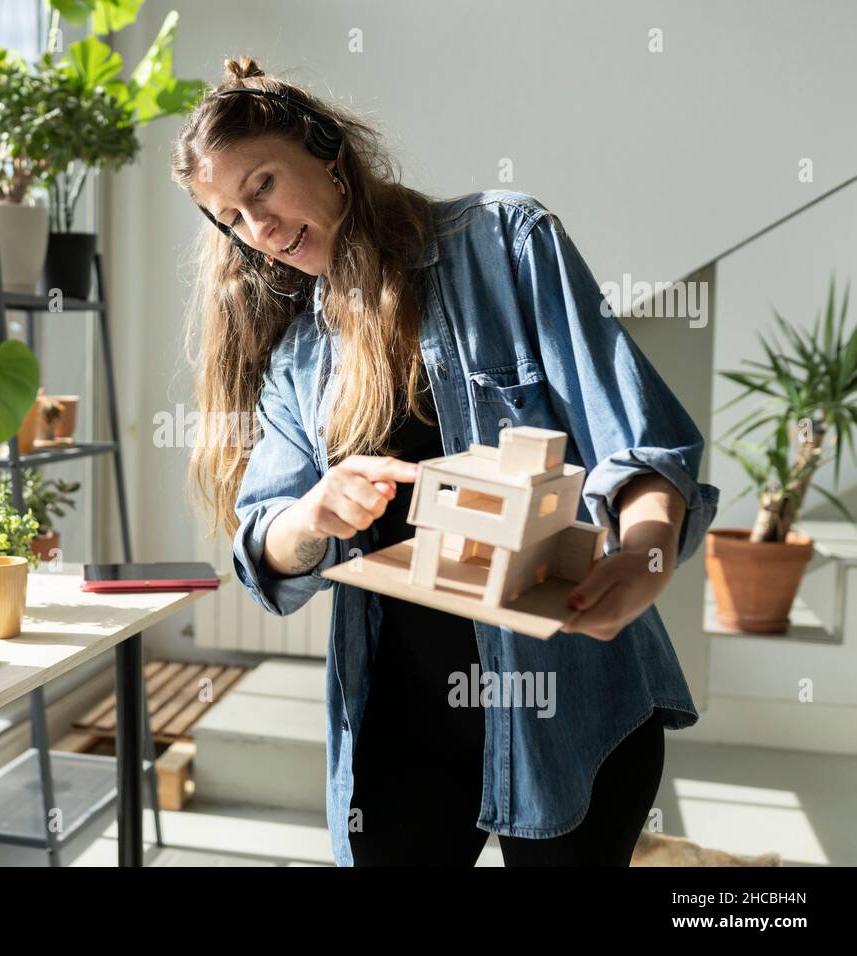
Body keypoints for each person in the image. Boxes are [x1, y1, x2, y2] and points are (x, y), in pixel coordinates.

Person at [171, 57, 720, 866]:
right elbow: (265, 550)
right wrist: (313, 514)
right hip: (402, 730)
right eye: (231, 217)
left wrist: (645, 549)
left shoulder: (506, 243)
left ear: (328, 152)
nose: (258, 229)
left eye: (262, 188)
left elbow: (634, 429)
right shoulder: (299, 362)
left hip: (575, 713)